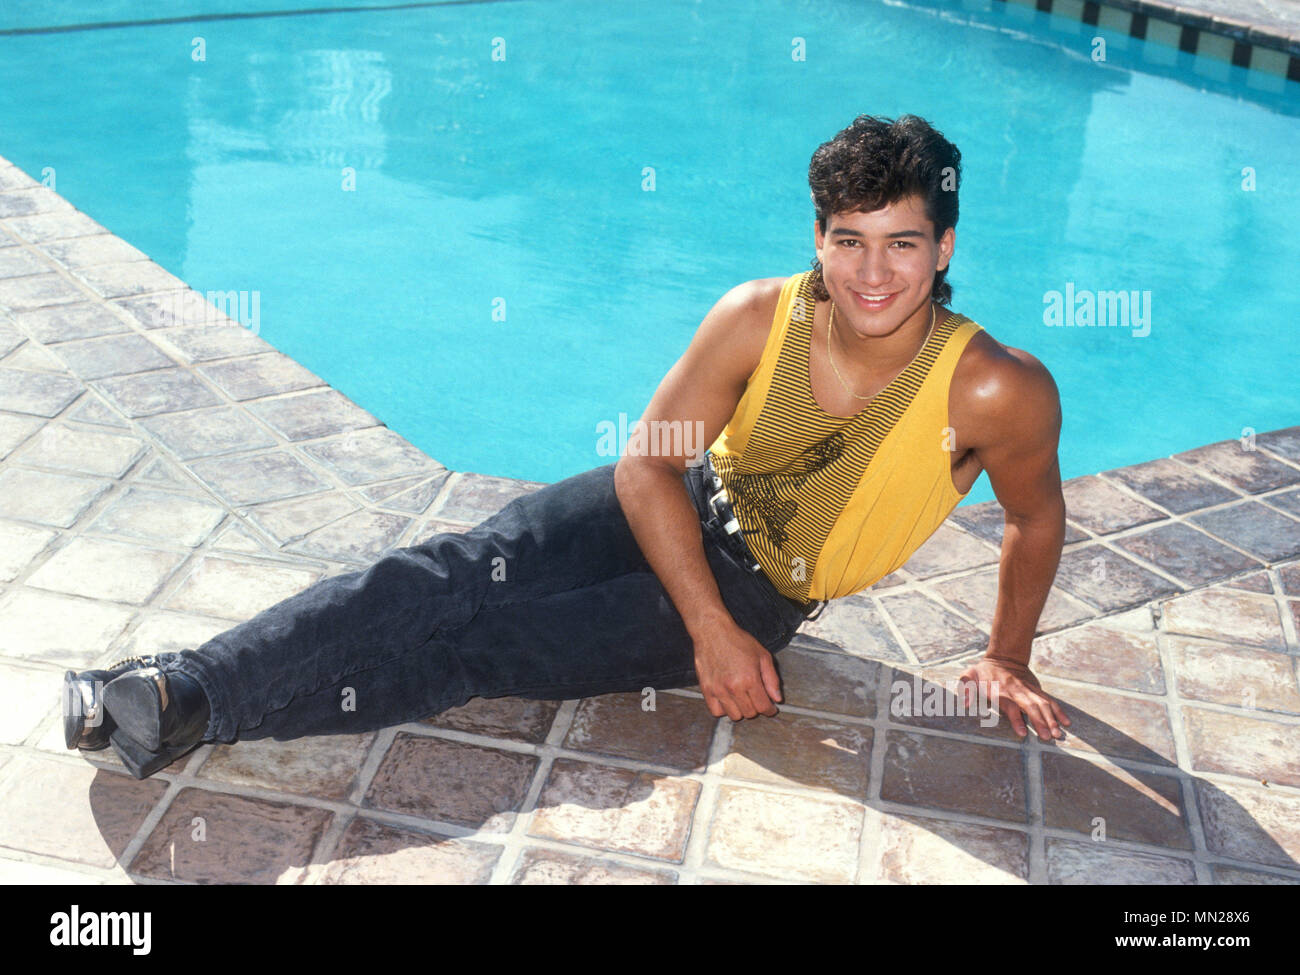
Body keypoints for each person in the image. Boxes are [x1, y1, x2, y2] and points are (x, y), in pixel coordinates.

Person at [62, 113, 1070, 781]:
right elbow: (647, 465)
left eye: (901, 242)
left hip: (767, 588)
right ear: (817, 237)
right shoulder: (759, 316)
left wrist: (1004, 656)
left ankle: (185, 706)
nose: (872, 271)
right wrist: (707, 633)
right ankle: (183, 690)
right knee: (445, 575)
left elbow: (1034, 515)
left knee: (481, 648)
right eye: (848, 239)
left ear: (942, 247)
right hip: (665, 507)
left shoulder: (992, 387)